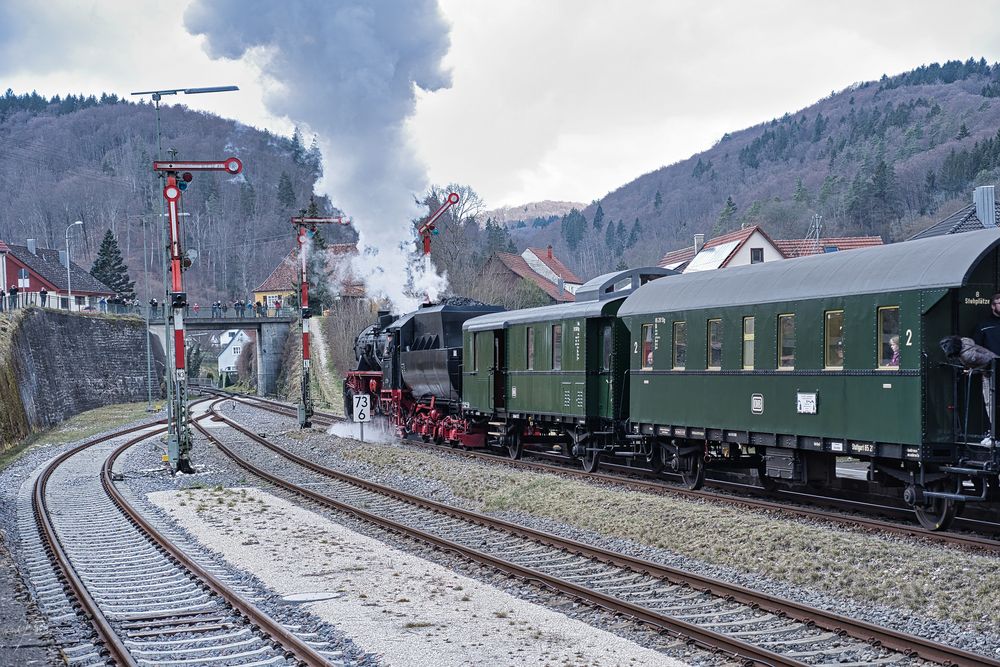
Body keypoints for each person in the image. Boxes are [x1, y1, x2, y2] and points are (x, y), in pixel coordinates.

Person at [973, 293, 1000, 446]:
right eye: (999, 302)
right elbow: (977, 349)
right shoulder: (983, 326)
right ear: (992, 305)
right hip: (991, 372)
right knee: (991, 403)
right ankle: (994, 433)